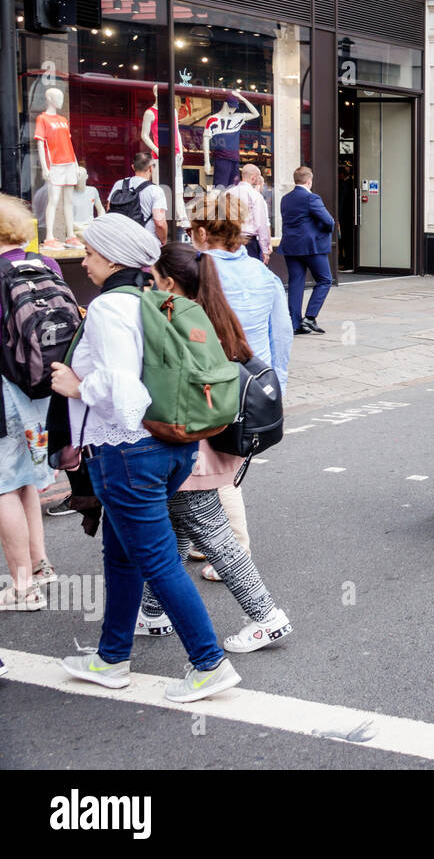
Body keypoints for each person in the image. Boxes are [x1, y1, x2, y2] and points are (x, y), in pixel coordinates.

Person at [54, 213, 241, 702]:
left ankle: (210, 663)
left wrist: (77, 385)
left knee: (157, 562)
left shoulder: (108, 308)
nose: (85, 261)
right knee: (121, 556)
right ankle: (112, 658)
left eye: (91, 253)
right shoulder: (151, 301)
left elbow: (123, 390)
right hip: (167, 447)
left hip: (129, 451)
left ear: (113, 257)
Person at [136, 242, 292, 652]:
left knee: (213, 536)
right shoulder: (215, 313)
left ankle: (267, 616)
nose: (149, 288)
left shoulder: (178, 321)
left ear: (169, 283)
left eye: (153, 280)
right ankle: (152, 613)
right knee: (175, 529)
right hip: (215, 441)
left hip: (195, 449)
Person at [190, 190, 292, 568]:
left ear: (202, 232)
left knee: (214, 469)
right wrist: (276, 383)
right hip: (250, 385)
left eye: (191, 227)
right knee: (221, 463)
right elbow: (282, 333)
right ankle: (209, 540)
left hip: (207, 380)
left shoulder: (196, 269)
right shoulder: (263, 273)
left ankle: (233, 551)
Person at [0, 196, 61, 610]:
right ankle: (39, 565)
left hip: (4, 391)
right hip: (41, 388)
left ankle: (22, 587)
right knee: (25, 476)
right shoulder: (48, 266)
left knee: (2, 484)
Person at [279, 165, 335, 335]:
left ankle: (295, 324)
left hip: (291, 246)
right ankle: (310, 318)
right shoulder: (312, 198)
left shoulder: (285, 199)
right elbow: (329, 221)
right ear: (309, 181)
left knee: (296, 283)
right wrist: (320, 230)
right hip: (312, 247)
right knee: (325, 280)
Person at [107, 152, 167, 243]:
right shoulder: (156, 190)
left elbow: (109, 209)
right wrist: (164, 240)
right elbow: (159, 222)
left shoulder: (119, 184)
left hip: (121, 241)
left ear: (133, 167)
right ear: (151, 168)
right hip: (146, 242)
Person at [232, 164, 271, 264]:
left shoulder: (227, 193)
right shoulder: (255, 195)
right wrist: (265, 250)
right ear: (253, 178)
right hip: (248, 242)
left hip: (230, 240)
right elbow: (261, 224)